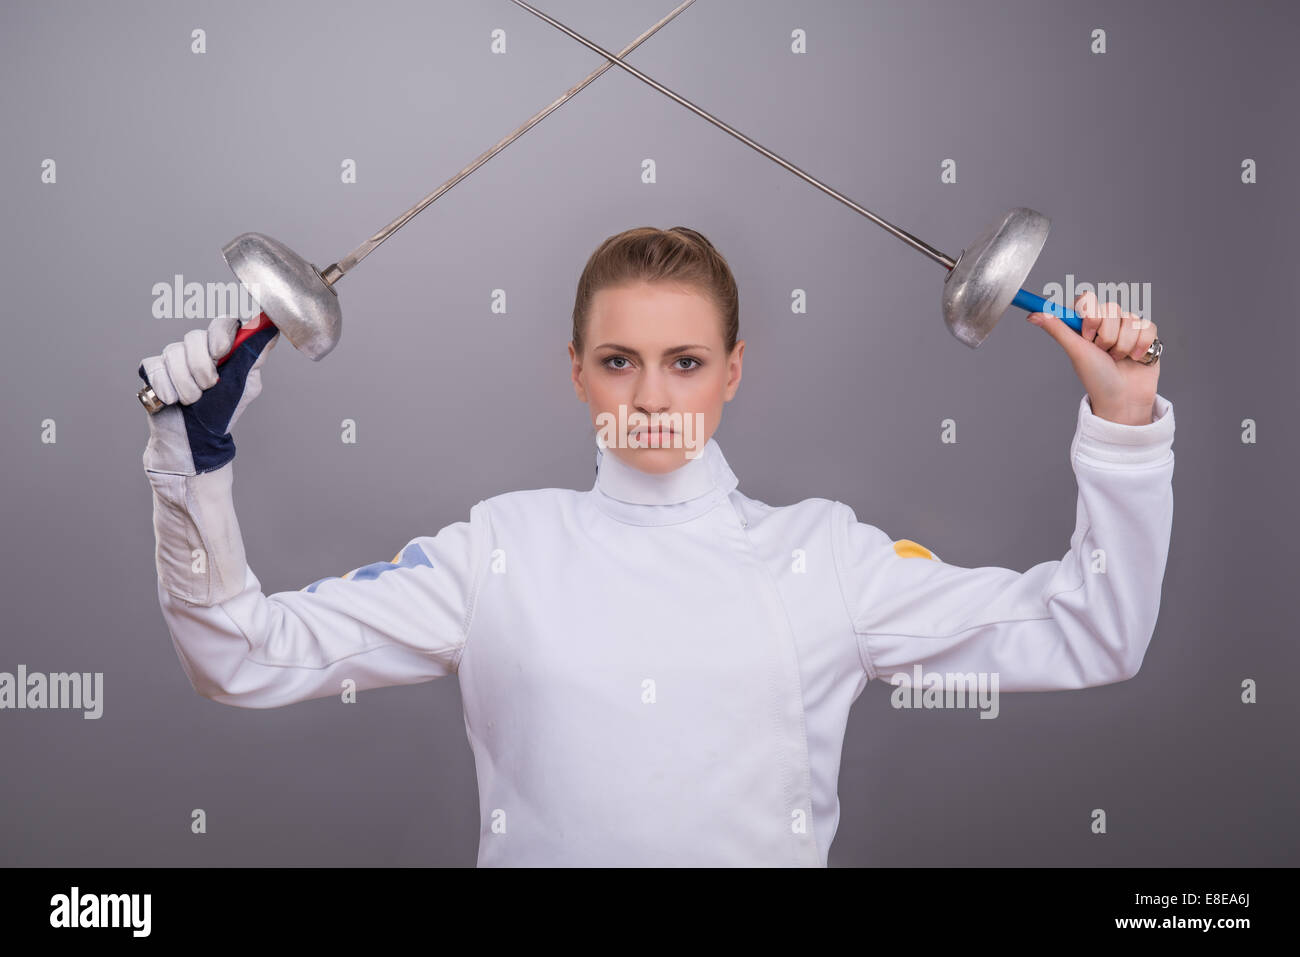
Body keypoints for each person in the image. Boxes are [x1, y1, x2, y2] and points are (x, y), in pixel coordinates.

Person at [138, 225, 1174, 866]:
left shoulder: (825, 558)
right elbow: (241, 658)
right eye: (618, 361)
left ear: (732, 371)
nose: (648, 398)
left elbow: (1091, 634)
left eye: (682, 362)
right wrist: (194, 460)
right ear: (576, 373)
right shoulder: (499, 550)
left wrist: (1125, 427)